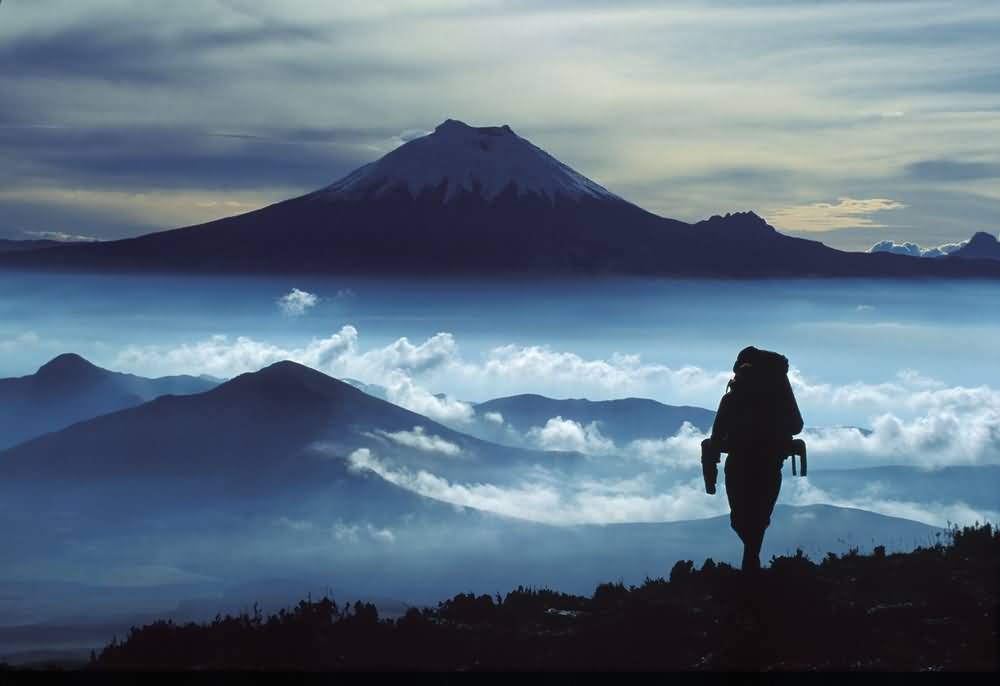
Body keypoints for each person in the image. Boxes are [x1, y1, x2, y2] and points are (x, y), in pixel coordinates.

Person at [704, 346, 803, 572]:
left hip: (740, 465)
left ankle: (750, 565)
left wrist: (714, 450)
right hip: (770, 464)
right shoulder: (777, 399)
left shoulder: (731, 400)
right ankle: (752, 562)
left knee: (740, 519)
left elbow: (717, 437)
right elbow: (797, 425)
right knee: (759, 517)